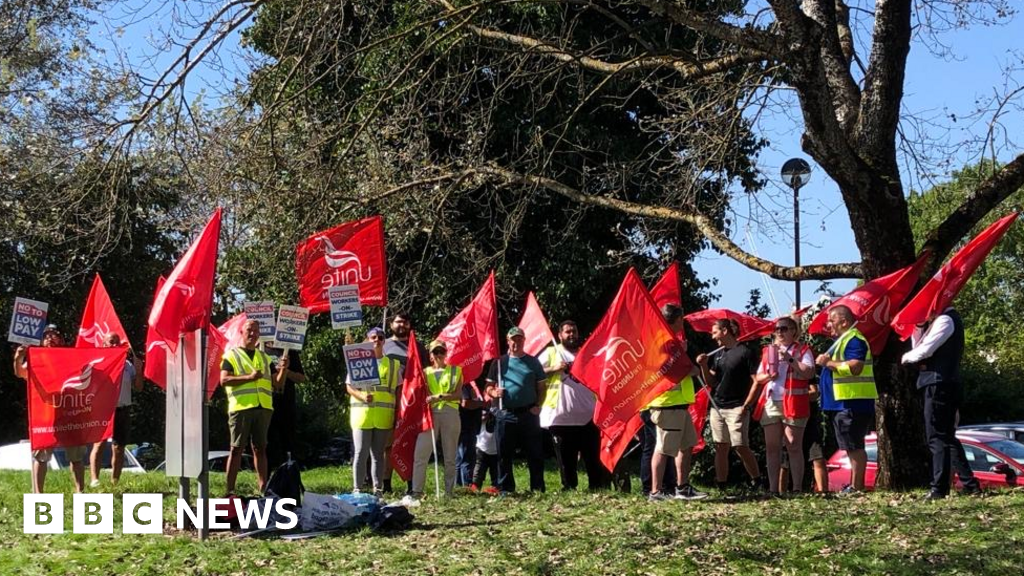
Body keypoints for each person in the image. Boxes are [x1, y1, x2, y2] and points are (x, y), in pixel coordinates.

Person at [901, 306, 982, 499]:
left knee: (936, 436)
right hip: (939, 382)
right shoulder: (938, 321)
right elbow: (918, 345)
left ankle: (939, 489)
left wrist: (905, 358)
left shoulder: (945, 320)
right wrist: (919, 326)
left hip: (939, 383)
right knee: (946, 436)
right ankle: (970, 484)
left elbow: (924, 351)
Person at [13, 324, 88, 493]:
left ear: (61, 339)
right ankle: (38, 493)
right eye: (46, 335)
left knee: (76, 456)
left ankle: (80, 492)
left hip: (70, 413)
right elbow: (20, 373)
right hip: (46, 414)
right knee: (41, 456)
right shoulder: (36, 358)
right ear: (41, 340)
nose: (50, 338)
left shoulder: (71, 357)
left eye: (54, 335)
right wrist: (18, 358)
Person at [220, 319, 289, 495]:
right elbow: (224, 380)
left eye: (256, 331)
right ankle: (230, 491)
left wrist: (284, 369)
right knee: (236, 449)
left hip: (263, 407)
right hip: (241, 407)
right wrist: (249, 378)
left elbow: (278, 384)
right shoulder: (231, 355)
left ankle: (263, 488)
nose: (253, 334)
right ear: (241, 332)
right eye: (249, 330)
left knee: (261, 448)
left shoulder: (265, 358)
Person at [647, 305, 708, 501]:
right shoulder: (661, 341)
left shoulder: (673, 342)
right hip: (666, 404)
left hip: (680, 404)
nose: (683, 323)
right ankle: (656, 492)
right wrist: (689, 367)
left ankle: (682, 487)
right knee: (663, 448)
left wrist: (682, 354)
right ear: (675, 319)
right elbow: (668, 369)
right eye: (681, 319)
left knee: (687, 444)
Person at [695, 318, 763, 493]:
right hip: (717, 406)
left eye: (715, 332)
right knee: (720, 446)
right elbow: (711, 381)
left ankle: (757, 480)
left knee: (740, 445)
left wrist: (747, 406)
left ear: (725, 331)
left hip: (737, 406)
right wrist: (703, 366)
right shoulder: (717, 354)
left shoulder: (746, 352)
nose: (712, 336)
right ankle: (722, 485)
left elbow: (757, 381)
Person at [816, 305, 877, 494]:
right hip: (841, 402)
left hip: (852, 401)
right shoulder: (842, 340)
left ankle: (856, 487)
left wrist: (828, 363)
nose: (828, 325)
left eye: (832, 321)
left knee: (854, 445)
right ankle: (853, 486)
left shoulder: (854, 339)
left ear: (844, 321)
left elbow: (856, 366)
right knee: (849, 446)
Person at [538, 320, 604, 491]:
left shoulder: (586, 352)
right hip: (561, 417)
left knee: (592, 457)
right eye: (567, 332)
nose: (572, 335)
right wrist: (554, 368)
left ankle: (596, 487)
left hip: (589, 415)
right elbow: (534, 372)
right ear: (560, 335)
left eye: (574, 331)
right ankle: (569, 487)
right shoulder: (552, 352)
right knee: (567, 459)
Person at [753, 316, 815, 493]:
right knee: (772, 447)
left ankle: (796, 489)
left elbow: (809, 373)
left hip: (794, 402)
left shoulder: (803, 350)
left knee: (793, 445)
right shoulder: (768, 351)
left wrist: (789, 359)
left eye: (784, 328)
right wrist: (768, 377)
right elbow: (759, 377)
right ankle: (773, 490)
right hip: (771, 401)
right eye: (777, 329)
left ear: (794, 331)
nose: (780, 332)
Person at [485, 326, 548, 494]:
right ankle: (506, 488)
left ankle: (537, 488)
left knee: (535, 453)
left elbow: (542, 387)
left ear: (524, 341)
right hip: (505, 413)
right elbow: (488, 387)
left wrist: (538, 406)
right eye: (513, 339)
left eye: (520, 339)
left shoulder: (533, 362)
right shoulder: (499, 362)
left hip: (529, 413)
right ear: (508, 341)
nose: (516, 342)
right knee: (504, 454)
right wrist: (494, 392)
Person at [346, 327, 401, 495]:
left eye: (380, 337)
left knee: (378, 454)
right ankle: (358, 489)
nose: (377, 340)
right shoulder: (358, 360)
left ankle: (378, 489)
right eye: (373, 337)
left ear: (385, 341)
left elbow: (398, 389)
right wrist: (361, 395)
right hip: (361, 415)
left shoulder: (393, 364)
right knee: (360, 453)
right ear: (368, 340)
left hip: (384, 416)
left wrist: (398, 413)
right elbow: (349, 386)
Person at [408, 340, 464, 501]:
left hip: (450, 412)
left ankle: (448, 492)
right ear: (431, 355)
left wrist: (439, 396)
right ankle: (417, 491)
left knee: (450, 455)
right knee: (421, 453)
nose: (439, 355)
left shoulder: (456, 371)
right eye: (435, 352)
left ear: (446, 353)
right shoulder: (424, 372)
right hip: (429, 414)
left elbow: (459, 394)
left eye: (441, 351)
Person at [89, 333, 144, 487]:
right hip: (103, 409)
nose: (114, 345)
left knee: (119, 447)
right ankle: (95, 480)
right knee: (99, 444)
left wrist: (139, 371)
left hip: (123, 409)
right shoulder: (98, 363)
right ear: (104, 344)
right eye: (111, 342)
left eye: (117, 342)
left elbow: (138, 388)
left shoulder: (127, 365)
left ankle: (115, 482)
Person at [380, 311, 426, 492]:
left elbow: (425, 372)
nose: (402, 325)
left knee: (411, 443)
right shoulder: (383, 346)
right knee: (388, 445)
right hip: (390, 400)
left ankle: (410, 483)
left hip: (412, 402)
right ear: (391, 324)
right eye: (398, 322)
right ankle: (386, 484)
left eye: (405, 322)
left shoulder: (418, 347)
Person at [266, 345, 307, 468]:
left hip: (286, 404)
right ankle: (266, 481)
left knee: (288, 442)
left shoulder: (290, 351)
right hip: (265, 403)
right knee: (267, 443)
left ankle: (289, 476)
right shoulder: (259, 349)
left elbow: (302, 378)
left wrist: (286, 371)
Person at [456, 375, 487, 486]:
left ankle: (459, 485)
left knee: (463, 456)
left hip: (472, 424)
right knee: (466, 456)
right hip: (465, 424)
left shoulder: (472, 383)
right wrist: (483, 404)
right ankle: (465, 485)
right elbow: (465, 403)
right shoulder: (464, 383)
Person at [471, 409, 500, 494]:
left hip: (496, 450)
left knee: (496, 472)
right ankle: (475, 488)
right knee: (478, 471)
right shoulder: (483, 406)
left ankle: (496, 488)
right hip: (481, 448)